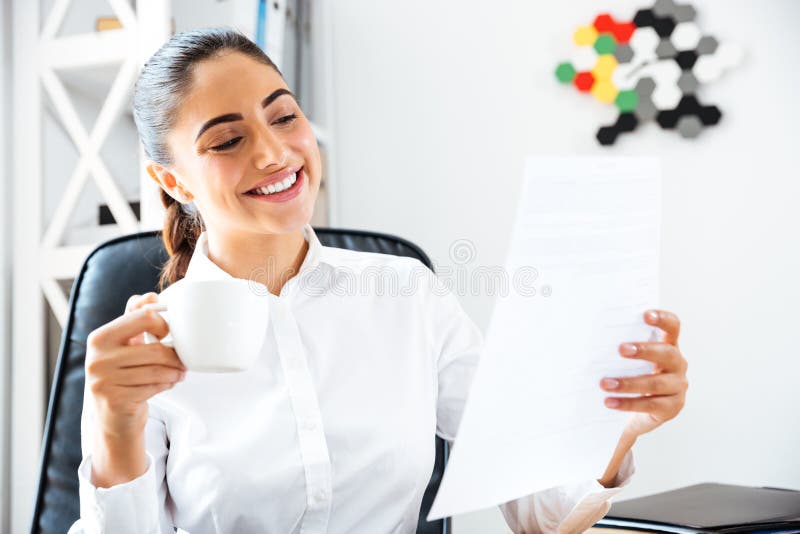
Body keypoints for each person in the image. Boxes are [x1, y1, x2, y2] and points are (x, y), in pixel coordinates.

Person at [68, 27, 688, 534]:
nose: (274, 153)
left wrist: (614, 426)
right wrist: (115, 429)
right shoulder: (145, 346)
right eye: (229, 140)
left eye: (283, 117)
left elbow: (541, 513)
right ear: (173, 182)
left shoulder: (409, 296)